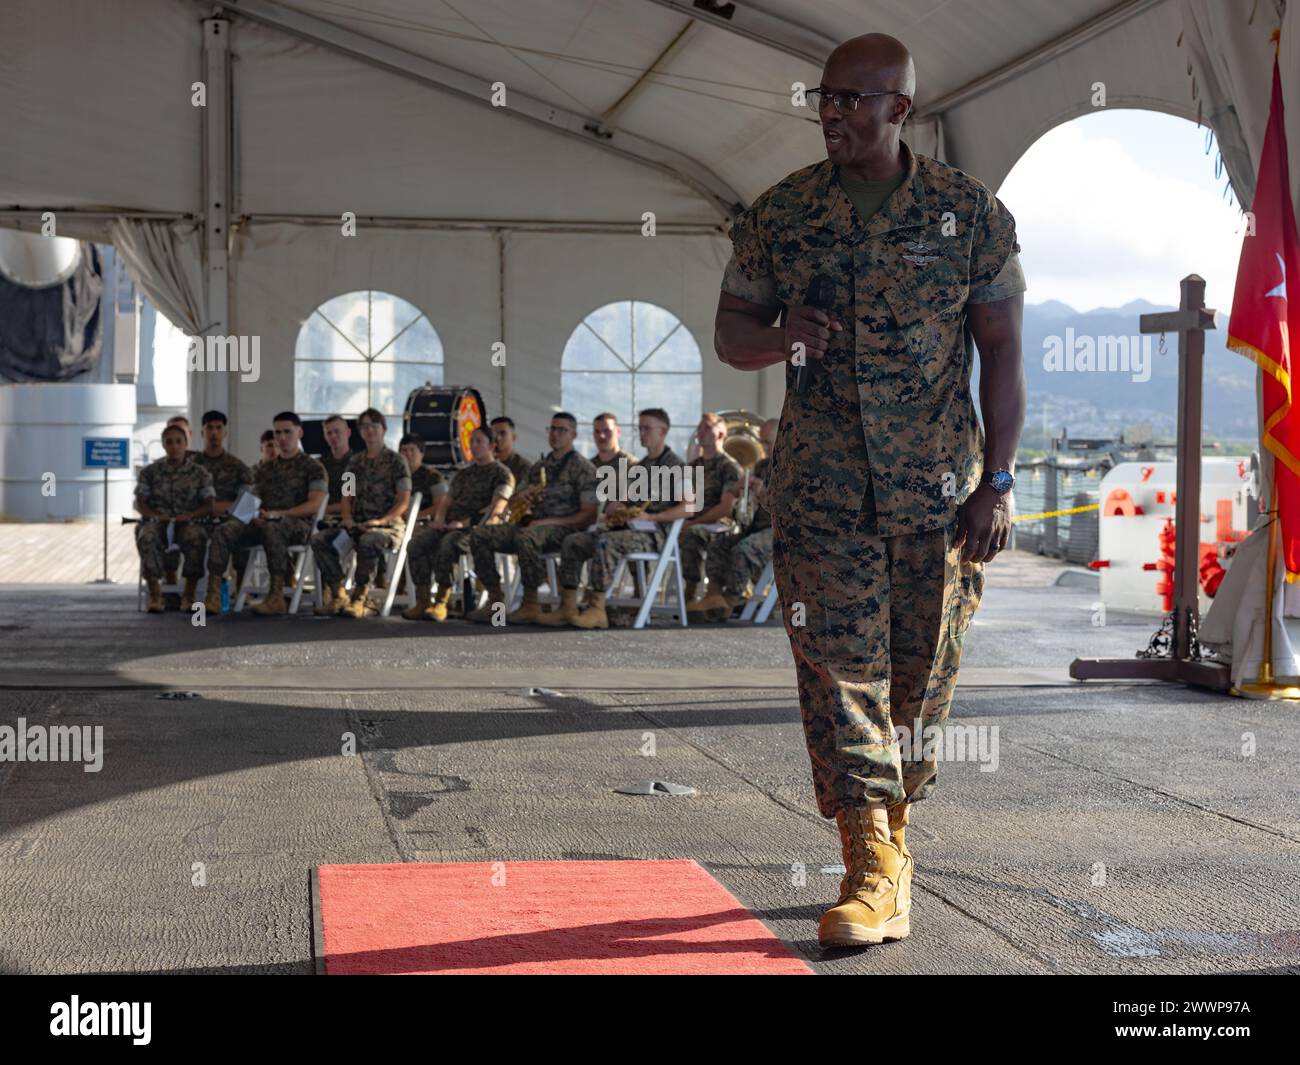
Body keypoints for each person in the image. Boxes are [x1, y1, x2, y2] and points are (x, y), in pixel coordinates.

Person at [713, 32, 1026, 948]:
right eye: (825, 98)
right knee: (838, 673)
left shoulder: (970, 216)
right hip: (820, 492)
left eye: (854, 100)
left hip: (940, 492)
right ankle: (868, 862)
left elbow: (1003, 353)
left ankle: (896, 834)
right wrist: (783, 337)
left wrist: (998, 482)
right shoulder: (781, 213)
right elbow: (734, 330)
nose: (834, 114)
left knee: (919, 684)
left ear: (901, 110)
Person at [565, 408, 691, 629]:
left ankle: (597, 608)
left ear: (663, 431)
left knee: (607, 542)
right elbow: (629, 501)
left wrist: (653, 517)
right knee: (574, 542)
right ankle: (567, 606)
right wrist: (618, 506)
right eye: (640, 428)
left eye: (647, 428)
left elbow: (688, 508)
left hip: (656, 535)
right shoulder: (640, 466)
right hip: (631, 528)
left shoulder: (677, 465)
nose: (642, 433)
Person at [468, 411, 597, 624]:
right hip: (533, 527)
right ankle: (495, 602)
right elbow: (514, 501)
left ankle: (531, 603)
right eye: (552, 429)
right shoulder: (539, 467)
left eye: (562, 430)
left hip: (565, 528)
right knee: (480, 535)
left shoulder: (583, 468)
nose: (555, 434)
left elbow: (588, 516)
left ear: (573, 435)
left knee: (526, 537)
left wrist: (547, 522)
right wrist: (522, 499)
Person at [206, 411, 328, 616]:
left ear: (300, 433)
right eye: (277, 433)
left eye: (287, 432)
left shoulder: (313, 467)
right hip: (264, 522)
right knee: (225, 530)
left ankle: (277, 595)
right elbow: (249, 503)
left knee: (273, 527)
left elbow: (315, 504)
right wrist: (254, 516)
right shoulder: (264, 470)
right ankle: (213, 594)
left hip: (299, 526)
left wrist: (277, 514)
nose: (281, 438)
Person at [402, 427, 514, 621]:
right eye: (472, 441)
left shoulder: (502, 474)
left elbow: (496, 507)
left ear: (492, 446)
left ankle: (442, 601)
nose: (473, 446)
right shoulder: (463, 474)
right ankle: (422, 601)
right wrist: (439, 520)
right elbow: (446, 501)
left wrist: (463, 524)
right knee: (417, 544)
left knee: (449, 544)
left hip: (477, 529)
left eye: (479, 441)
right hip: (449, 525)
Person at [534, 412, 636, 625]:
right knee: (572, 541)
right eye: (597, 432)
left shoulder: (632, 466)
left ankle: (630, 601)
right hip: (590, 524)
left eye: (606, 431)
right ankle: (569, 603)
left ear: (618, 432)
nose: (601, 436)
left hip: (623, 525)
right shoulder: (588, 465)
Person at [309, 408, 411, 618]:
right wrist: (347, 520)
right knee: (320, 540)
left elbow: (403, 501)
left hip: (387, 527)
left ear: (384, 429)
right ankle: (338, 595)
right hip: (356, 525)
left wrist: (381, 521)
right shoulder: (354, 462)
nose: (369, 430)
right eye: (364, 426)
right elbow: (347, 497)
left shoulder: (397, 461)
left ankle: (361, 597)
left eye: (374, 425)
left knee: (368, 540)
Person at [691, 416, 777, 622]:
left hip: (781, 530)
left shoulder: (796, 467)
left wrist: (764, 493)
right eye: (762, 442)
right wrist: (741, 493)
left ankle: (730, 600)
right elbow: (745, 510)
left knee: (743, 550)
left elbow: (791, 507)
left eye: (768, 442)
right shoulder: (762, 466)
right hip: (758, 526)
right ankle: (713, 595)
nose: (763, 448)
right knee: (718, 546)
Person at [134, 424, 214, 612]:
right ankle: (155, 595)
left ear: (186, 444)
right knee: (146, 535)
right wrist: (154, 516)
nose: (174, 446)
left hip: (187, 522)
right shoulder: (150, 472)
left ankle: (189, 595)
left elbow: (209, 504)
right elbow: (140, 502)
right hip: (159, 523)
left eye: (179, 442)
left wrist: (189, 516)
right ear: (163, 445)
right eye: (169, 442)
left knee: (196, 537)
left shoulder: (200, 473)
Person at [678, 413, 742, 602]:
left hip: (721, 524)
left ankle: (699, 592)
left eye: (707, 427)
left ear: (721, 433)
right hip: (694, 521)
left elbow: (726, 508)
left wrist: (693, 522)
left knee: (692, 533)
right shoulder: (693, 466)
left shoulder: (729, 467)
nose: (701, 431)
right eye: (700, 428)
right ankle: (688, 594)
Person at [398, 432, 446, 515]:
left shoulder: (433, 477)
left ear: (422, 454)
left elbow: (442, 506)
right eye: (404, 450)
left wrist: (416, 516)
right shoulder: (394, 475)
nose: (408, 454)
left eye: (412, 450)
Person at [319, 414, 354, 518]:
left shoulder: (358, 463)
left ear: (348, 433)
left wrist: (324, 509)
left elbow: (353, 501)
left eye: (337, 431)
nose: (333, 436)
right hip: (321, 517)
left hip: (349, 517)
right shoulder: (318, 465)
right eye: (329, 433)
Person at [490, 416, 534, 488]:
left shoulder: (523, 467)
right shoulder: (485, 464)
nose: (498, 438)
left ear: (513, 437)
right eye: (494, 434)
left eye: (503, 433)